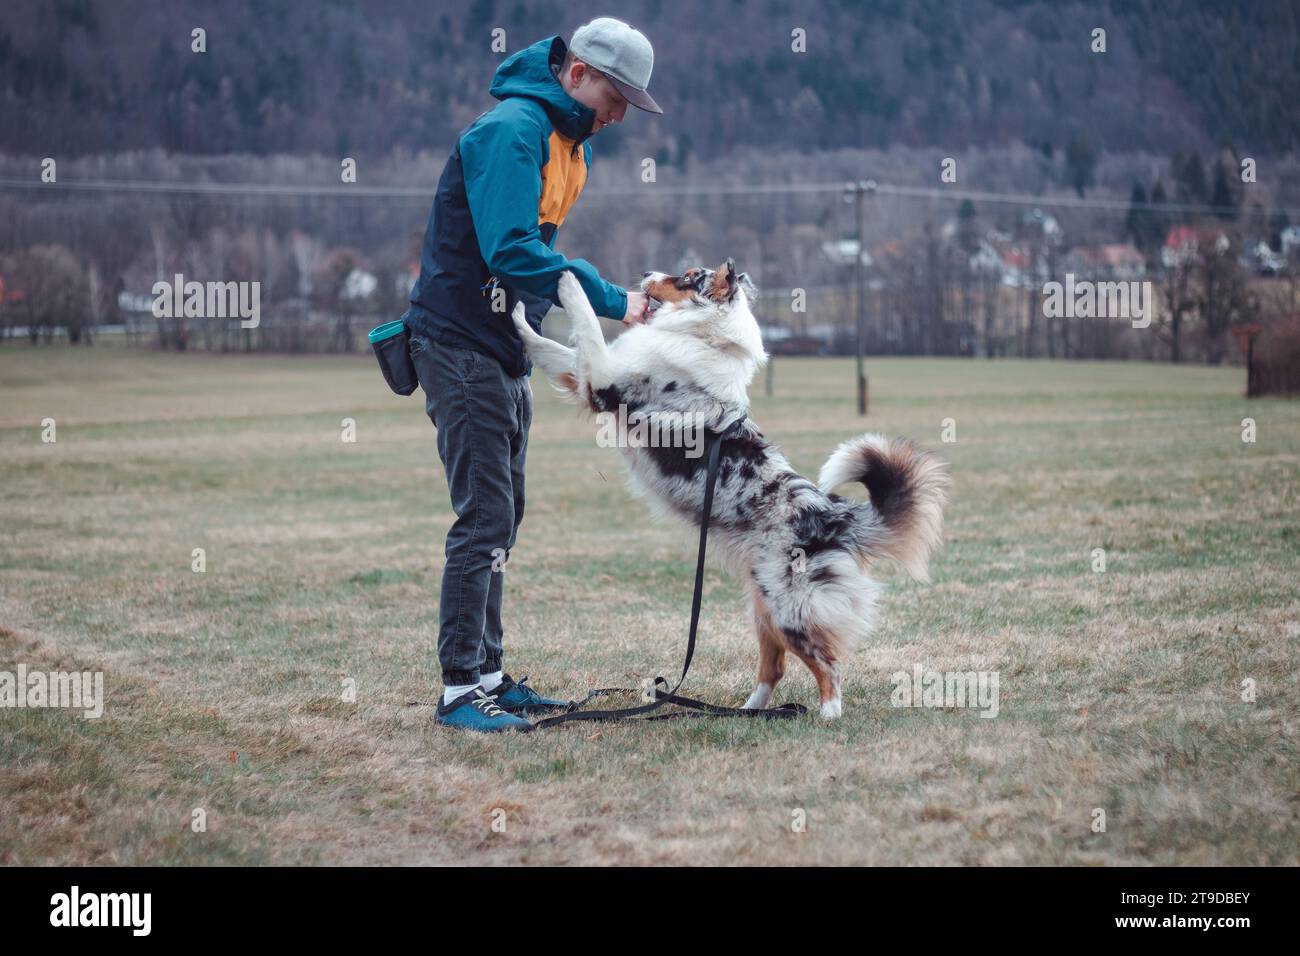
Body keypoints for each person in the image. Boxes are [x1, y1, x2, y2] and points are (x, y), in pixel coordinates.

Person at [402, 18, 664, 732]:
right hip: (456, 343)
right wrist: (613, 301)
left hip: (501, 346)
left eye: (628, 106)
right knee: (483, 516)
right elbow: (513, 252)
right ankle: (460, 693)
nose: (618, 117)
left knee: (504, 515)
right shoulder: (514, 131)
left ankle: (489, 675)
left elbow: (533, 260)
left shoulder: (567, 147)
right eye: (615, 98)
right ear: (576, 71)